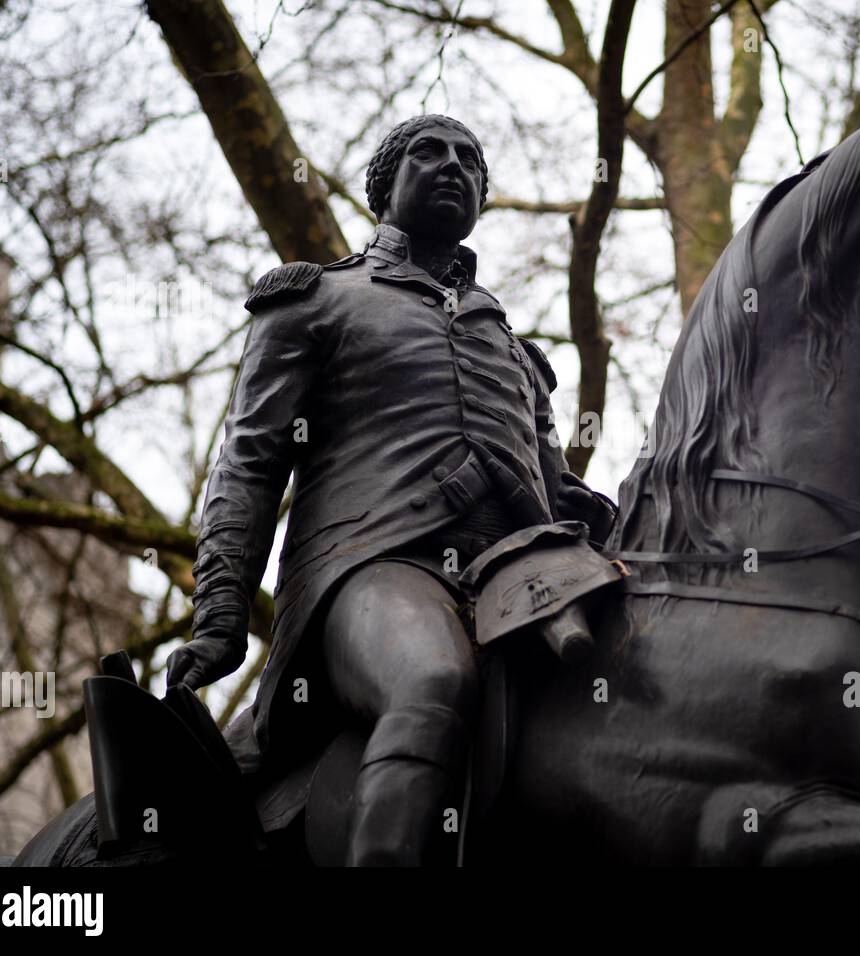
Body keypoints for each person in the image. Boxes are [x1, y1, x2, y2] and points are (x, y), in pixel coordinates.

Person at [166, 114, 615, 865]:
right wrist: (219, 616)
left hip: (520, 583)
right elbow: (247, 463)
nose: (452, 167)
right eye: (427, 152)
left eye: (470, 160)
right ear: (384, 185)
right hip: (372, 569)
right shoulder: (316, 301)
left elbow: (561, 495)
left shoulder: (518, 354)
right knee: (432, 678)